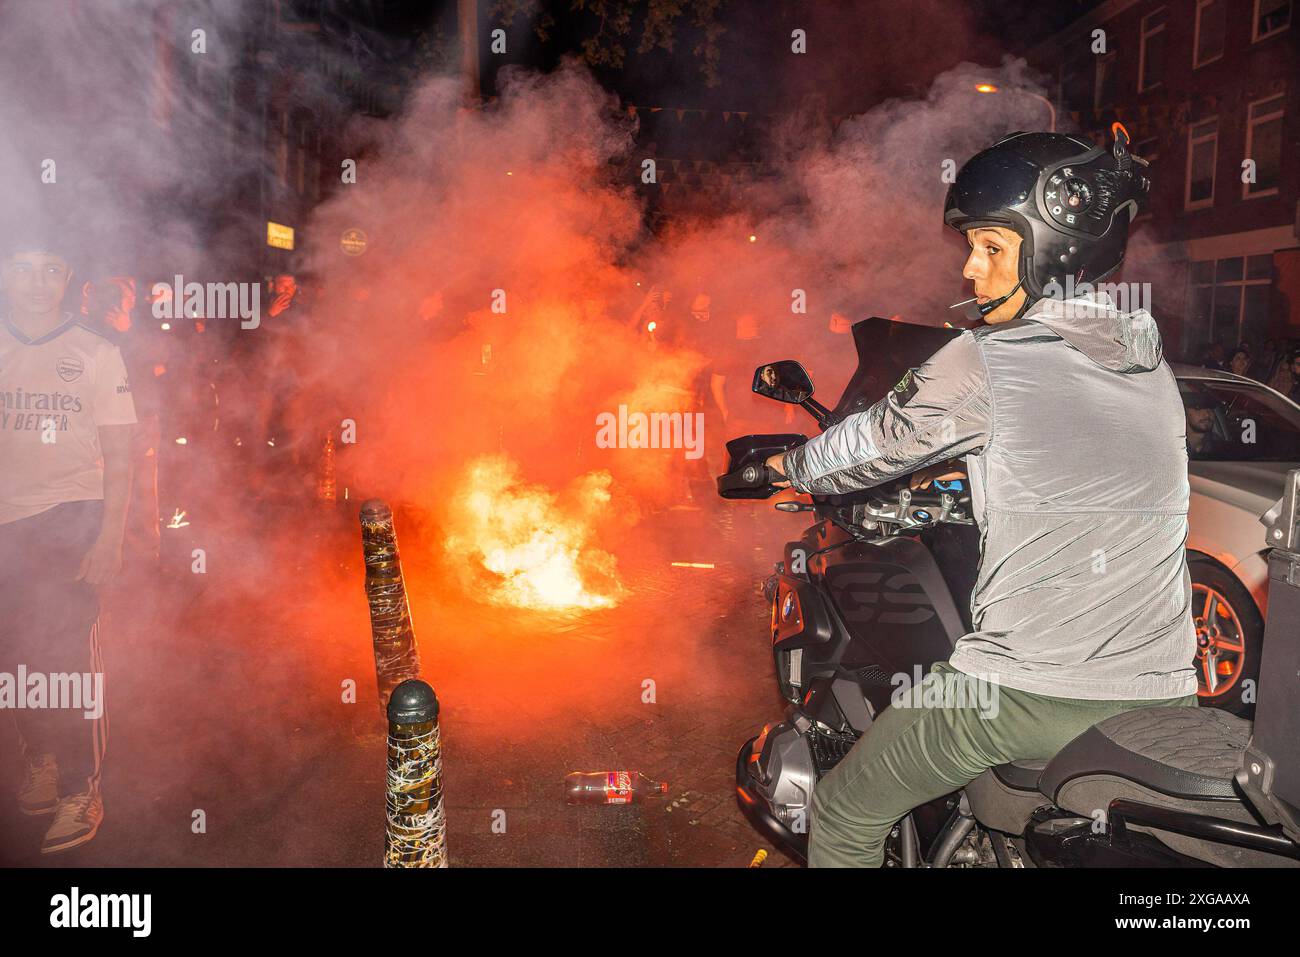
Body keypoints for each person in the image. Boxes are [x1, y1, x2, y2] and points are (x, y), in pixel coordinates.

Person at [766, 129, 1199, 867]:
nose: (969, 269)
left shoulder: (993, 359)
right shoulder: (1147, 364)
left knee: (840, 810)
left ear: (1054, 250)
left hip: (1026, 691)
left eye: (992, 247)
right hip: (1163, 693)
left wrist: (787, 464)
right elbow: (1073, 474)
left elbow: (874, 441)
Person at [0, 233, 136, 853]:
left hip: (69, 518)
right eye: (22, 268)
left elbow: (121, 457)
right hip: (5, 524)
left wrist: (110, 535)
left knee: (68, 656)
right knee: (16, 656)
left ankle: (82, 786)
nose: (35, 281)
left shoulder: (97, 351)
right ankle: (44, 758)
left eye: (48, 269)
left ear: (67, 278)